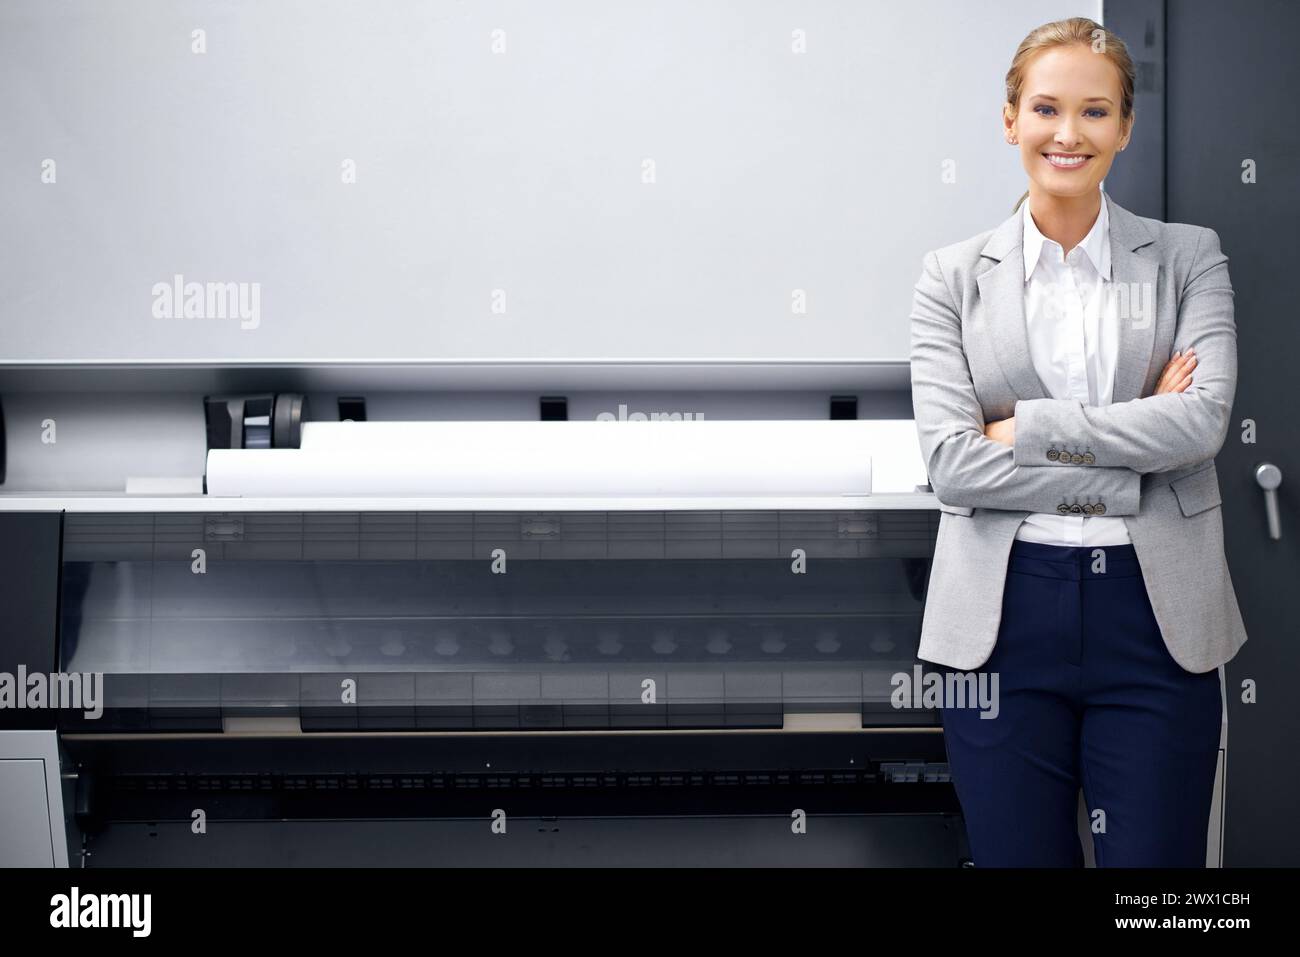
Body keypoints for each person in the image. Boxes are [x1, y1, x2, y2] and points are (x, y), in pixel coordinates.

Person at [908, 16, 1247, 867]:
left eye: (1095, 112)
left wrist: (1032, 430)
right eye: (1047, 109)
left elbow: (1201, 424)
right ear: (1010, 119)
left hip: (1156, 612)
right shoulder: (949, 278)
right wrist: (1135, 454)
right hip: (1001, 616)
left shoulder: (1187, 259)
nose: (1069, 134)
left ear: (1124, 127)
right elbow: (952, 462)